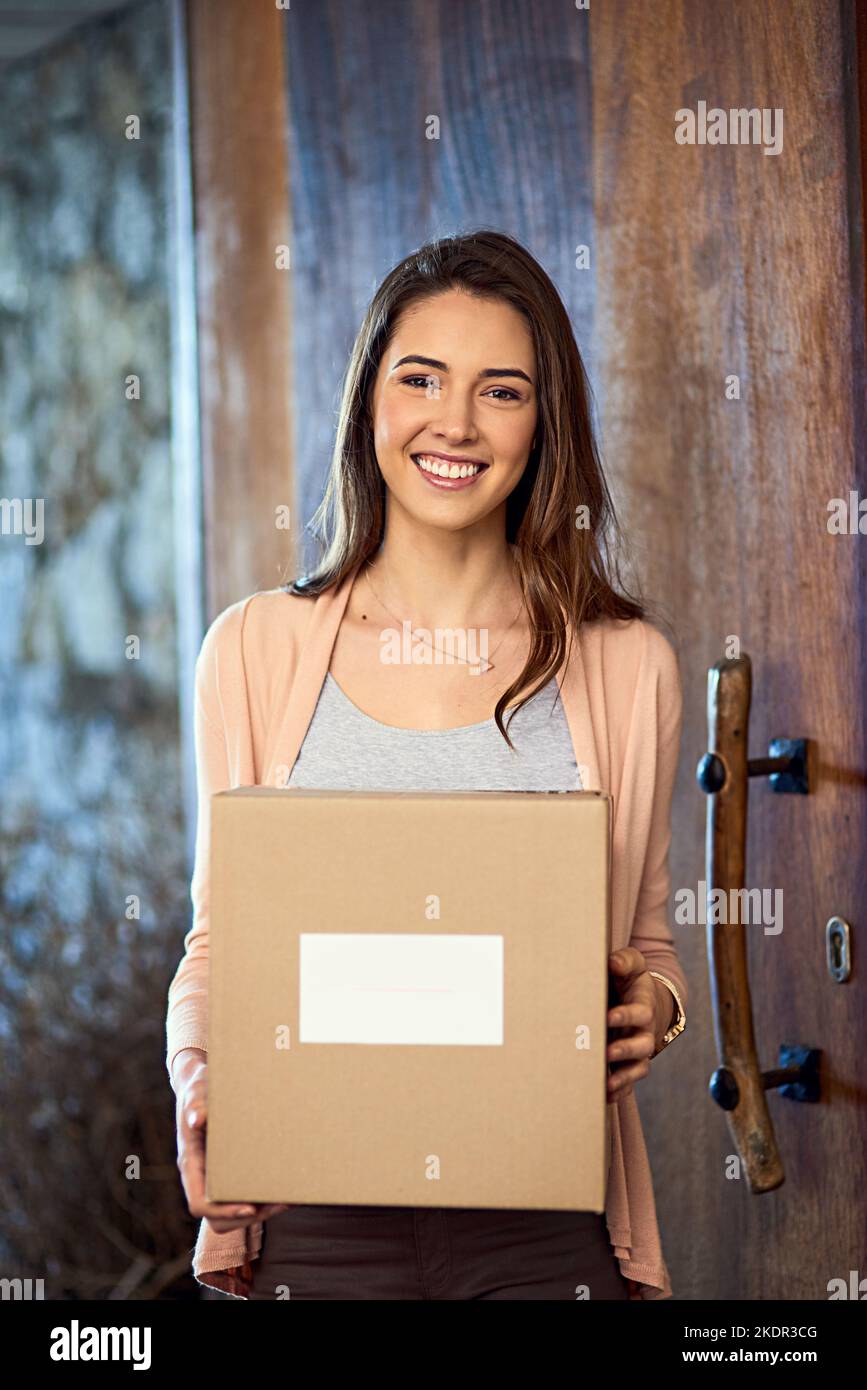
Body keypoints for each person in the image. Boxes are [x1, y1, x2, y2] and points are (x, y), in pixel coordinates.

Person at [168, 229, 688, 1300]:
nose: (455, 422)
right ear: (371, 400)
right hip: (314, 1225)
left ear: (544, 425)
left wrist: (661, 1010)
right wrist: (199, 1084)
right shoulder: (254, 651)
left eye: (501, 390)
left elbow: (648, 946)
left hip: (544, 1232)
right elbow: (220, 943)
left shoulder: (629, 666)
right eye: (422, 379)